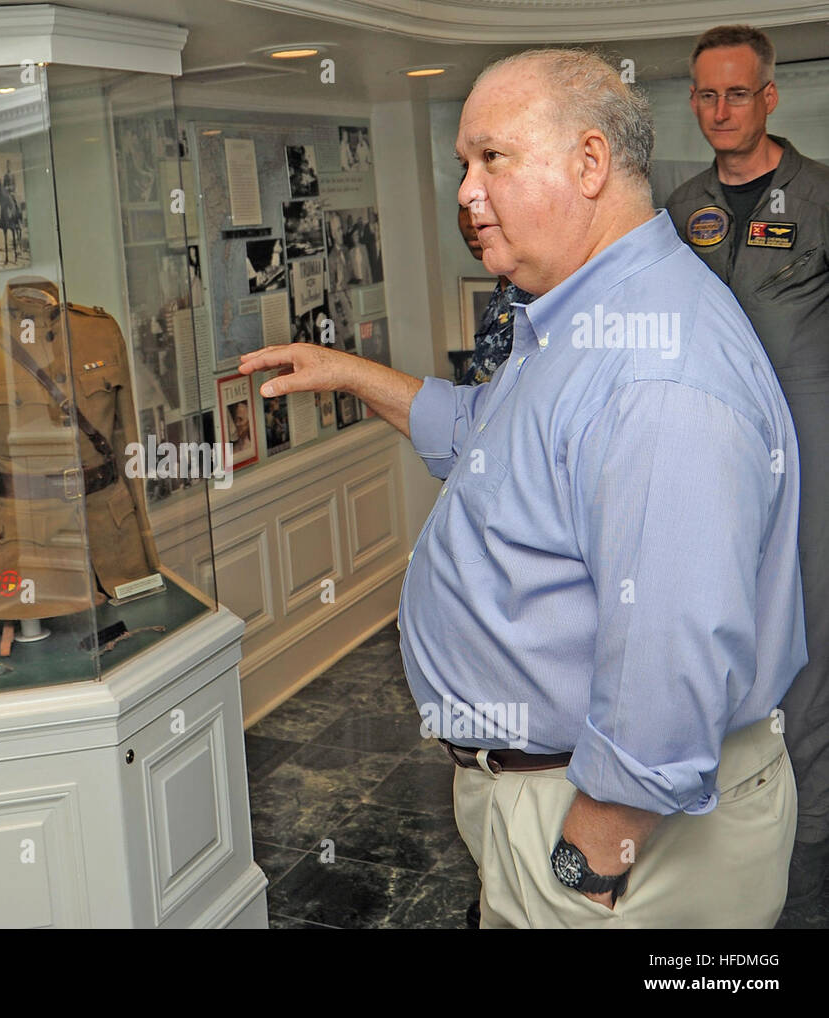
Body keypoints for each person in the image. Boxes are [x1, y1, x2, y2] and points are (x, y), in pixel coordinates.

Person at [240, 47, 806, 928]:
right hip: (538, 803)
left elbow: (676, 649)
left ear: (589, 163)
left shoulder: (659, 370)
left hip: (619, 841)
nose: (465, 191)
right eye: (461, 165)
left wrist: (588, 861)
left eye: (490, 159)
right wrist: (350, 374)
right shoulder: (582, 316)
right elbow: (483, 438)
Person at [665, 24, 829, 909]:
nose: (719, 110)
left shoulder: (820, 197)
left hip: (812, 455)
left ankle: (804, 879)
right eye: (705, 94)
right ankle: (716, 859)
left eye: (737, 93)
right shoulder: (677, 205)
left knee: (808, 671)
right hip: (708, 462)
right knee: (716, 639)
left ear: (770, 97)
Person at [457, 202, 535, 384]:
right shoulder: (502, 290)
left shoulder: (536, 291)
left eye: (482, 206)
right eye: (464, 209)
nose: (471, 222)